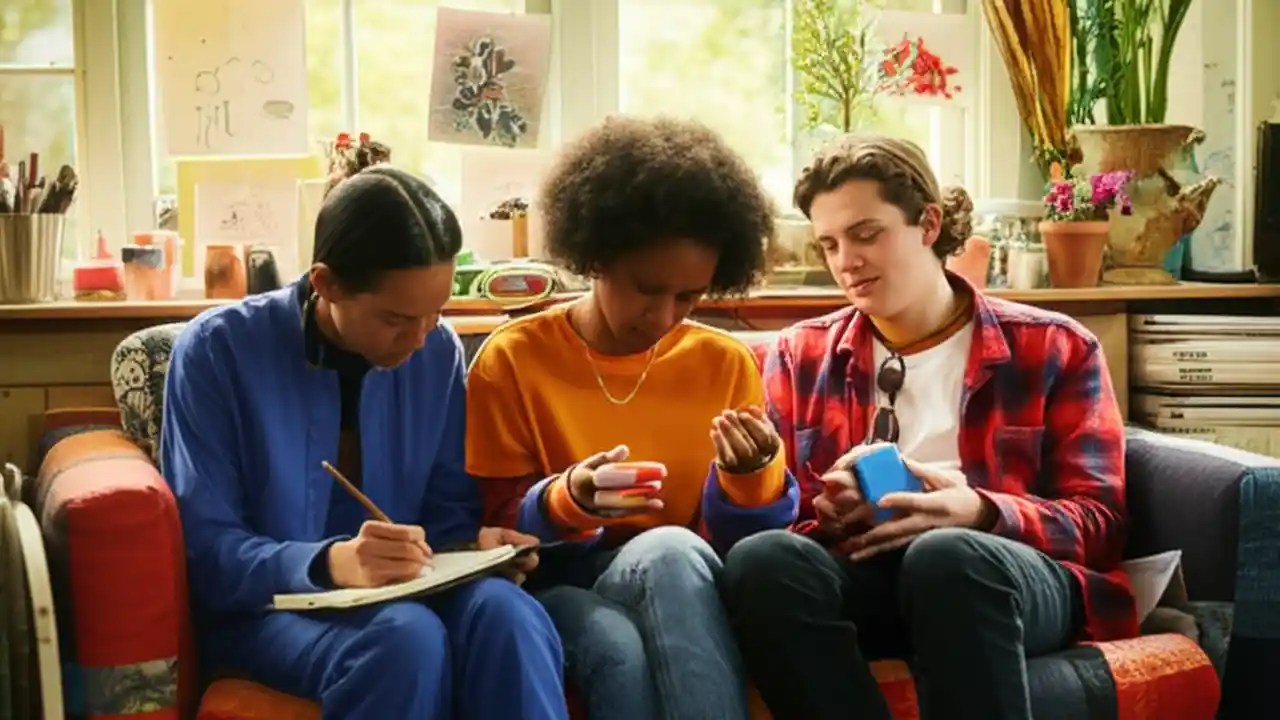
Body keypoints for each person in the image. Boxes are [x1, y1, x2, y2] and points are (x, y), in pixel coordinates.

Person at [719, 136, 1137, 720]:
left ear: (928, 224)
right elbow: (781, 520)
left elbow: (1102, 525)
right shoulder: (798, 356)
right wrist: (827, 514)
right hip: (867, 573)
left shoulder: (1054, 346)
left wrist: (981, 511)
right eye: (830, 244)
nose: (847, 262)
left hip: (1003, 577)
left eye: (867, 234)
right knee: (764, 561)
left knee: (945, 557)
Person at [162, 166, 567, 720]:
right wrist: (330, 562)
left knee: (510, 615)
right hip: (265, 613)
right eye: (397, 319)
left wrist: (476, 549)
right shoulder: (216, 352)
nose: (422, 337)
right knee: (404, 639)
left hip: (404, 595)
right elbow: (207, 553)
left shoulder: (438, 351)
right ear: (326, 284)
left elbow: (446, 515)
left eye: (436, 313)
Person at [465, 116, 800, 720]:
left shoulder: (723, 362)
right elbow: (494, 529)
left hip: (682, 580)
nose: (664, 315)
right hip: (558, 583)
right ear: (595, 257)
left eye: (689, 296)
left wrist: (753, 476)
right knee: (615, 639)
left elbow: (739, 547)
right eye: (646, 288)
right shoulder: (513, 358)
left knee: (670, 552)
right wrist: (569, 500)